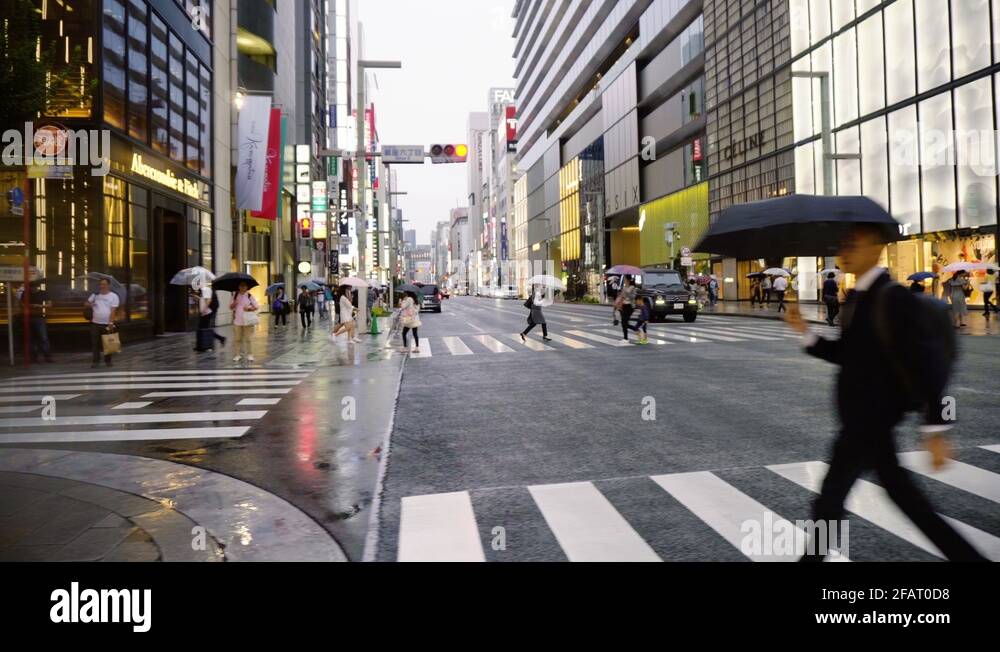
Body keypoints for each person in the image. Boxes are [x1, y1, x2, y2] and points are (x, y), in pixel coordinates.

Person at [784, 224, 986, 562]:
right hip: (867, 422)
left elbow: (926, 362)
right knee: (901, 499)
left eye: (852, 242)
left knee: (831, 499)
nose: (843, 251)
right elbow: (846, 355)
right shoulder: (861, 297)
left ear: (876, 247)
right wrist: (804, 331)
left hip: (869, 422)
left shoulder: (891, 297)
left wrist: (935, 428)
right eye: (842, 243)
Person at [85, 278, 121, 369]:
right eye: (101, 284)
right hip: (95, 323)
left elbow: (113, 310)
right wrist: (90, 304)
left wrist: (111, 322)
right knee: (95, 343)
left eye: (104, 284)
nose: (102, 286)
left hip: (107, 323)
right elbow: (86, 303)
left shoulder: (113, 296)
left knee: (108, 343)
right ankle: (95, 361)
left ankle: (108, 361)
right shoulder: (95, 295)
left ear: (108, 285)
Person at [19, 281, 54, 363]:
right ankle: (34, 357)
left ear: (37, 287)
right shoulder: (25, 293)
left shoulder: (42, 293)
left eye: (34, 288)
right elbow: (21, 304)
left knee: (43, 337)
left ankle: (47, 356)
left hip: (39, 316)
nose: (33, 289)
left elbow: (50, 304)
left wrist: (40, 306)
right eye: (31, 288)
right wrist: (29, 306)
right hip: (28, 317)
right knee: (32, 338)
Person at [230, 281, 259, 363]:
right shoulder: (235, 295)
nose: (243, 287)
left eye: (244, 286)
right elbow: (230, 307)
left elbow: (256, 306)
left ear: (247, 287)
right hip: (237, 321)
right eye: (241, 285)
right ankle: (237, 355)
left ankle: (250, 354)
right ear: (238, 286)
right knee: (237, 339)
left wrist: (249, 308)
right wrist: (234, 303)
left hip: (247, 321)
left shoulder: (249, 296)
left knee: (248, 339)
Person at [196, 285, 225, 353]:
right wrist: (197, 297)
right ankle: (202, 346)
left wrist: (204, 310)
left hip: (207, 312)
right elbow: (205, 299)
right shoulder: (208, 290)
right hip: (208, 311)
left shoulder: (207, 290)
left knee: (203, 328)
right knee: (203, 328)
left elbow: (209, 300)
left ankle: (206, 346)